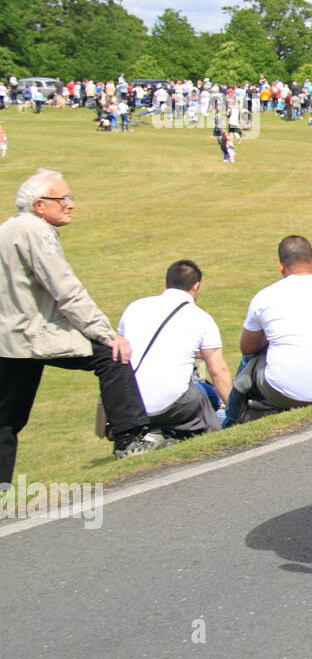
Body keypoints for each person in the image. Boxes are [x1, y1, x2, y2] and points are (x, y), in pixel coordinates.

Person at [0, 170, 164, 482]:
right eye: (62, 198)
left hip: (7, 341)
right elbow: (65, 289)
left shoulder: (8, 229)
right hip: (33, 336)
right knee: (110, 355)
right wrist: (106, 333)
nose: (70, 204)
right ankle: (130, 439)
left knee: (6, 421)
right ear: (39, 205)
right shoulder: (36, 232)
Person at [223, 237, 312, 426]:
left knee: (251, 357)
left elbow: (247, 348)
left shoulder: (265, 296)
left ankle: (231, 418)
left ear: (281, 266)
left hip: (282, 393)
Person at [117, 260, 232, 437]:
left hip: (129, 404)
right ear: (196, 286)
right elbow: (218, 370)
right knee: (203, 394)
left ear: (165, 284)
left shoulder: (135, 307)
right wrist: (235, 411)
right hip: (171, 404)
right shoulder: (201, 318)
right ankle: (210, 430)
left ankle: (154, 433)